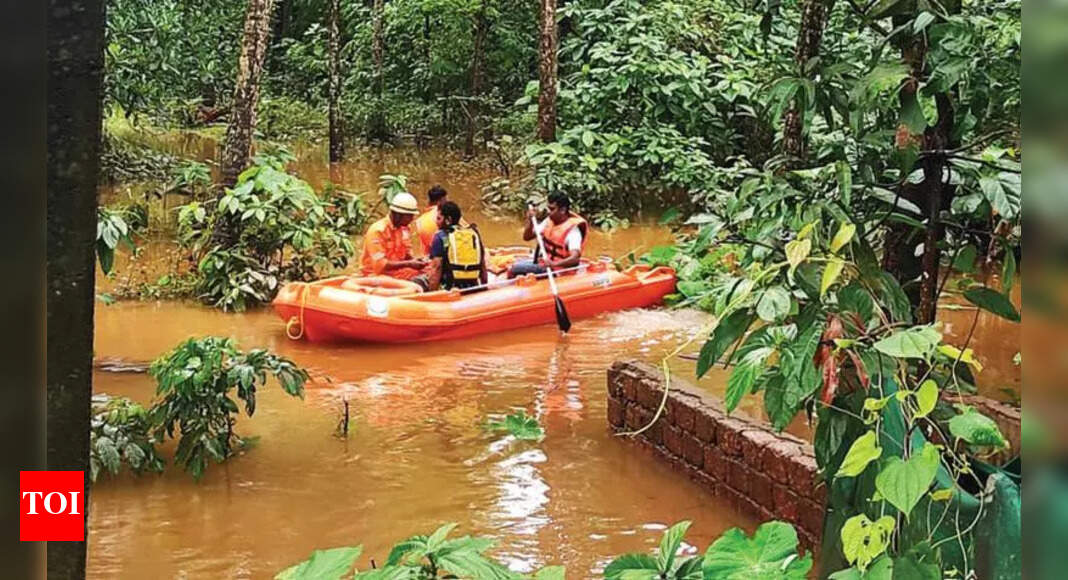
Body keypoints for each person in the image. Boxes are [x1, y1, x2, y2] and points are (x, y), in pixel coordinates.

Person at [508, 192, 588, 278]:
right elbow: (527, 237)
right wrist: (530, 221)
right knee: (514, 265)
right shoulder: (549, 221)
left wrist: (553, 264)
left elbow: (575, 259)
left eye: (552, 209)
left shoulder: (573, 232)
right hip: (544, 263)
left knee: (514, 268)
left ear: (562, 210)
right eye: (548, 208)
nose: (548, 212)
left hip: (557, 270)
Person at [359, 191, 428, 282]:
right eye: (409, 216)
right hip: (376, 275)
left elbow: (405, 254)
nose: (412, 219)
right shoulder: (377, 231)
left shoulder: (404, 229)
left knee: (429, 272)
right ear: (398, 215)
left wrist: (416, 261)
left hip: (396, 273)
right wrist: (409, 264)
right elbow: (380, 265)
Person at [426, 201, 487, 291]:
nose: (436, 222)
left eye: (439, 218)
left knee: (418, 280)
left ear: (448, 220)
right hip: (473, 286)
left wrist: (431, 293)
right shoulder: (473, 234)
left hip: (450, 288)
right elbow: (482, 264)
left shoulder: (440, 237)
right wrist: (484, 288)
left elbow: (436, 269)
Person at [414, 185, 449, 255]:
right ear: (440, 201)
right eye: (446, 199)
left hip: (427, 257)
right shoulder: (447, 213)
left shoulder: (419, 221)